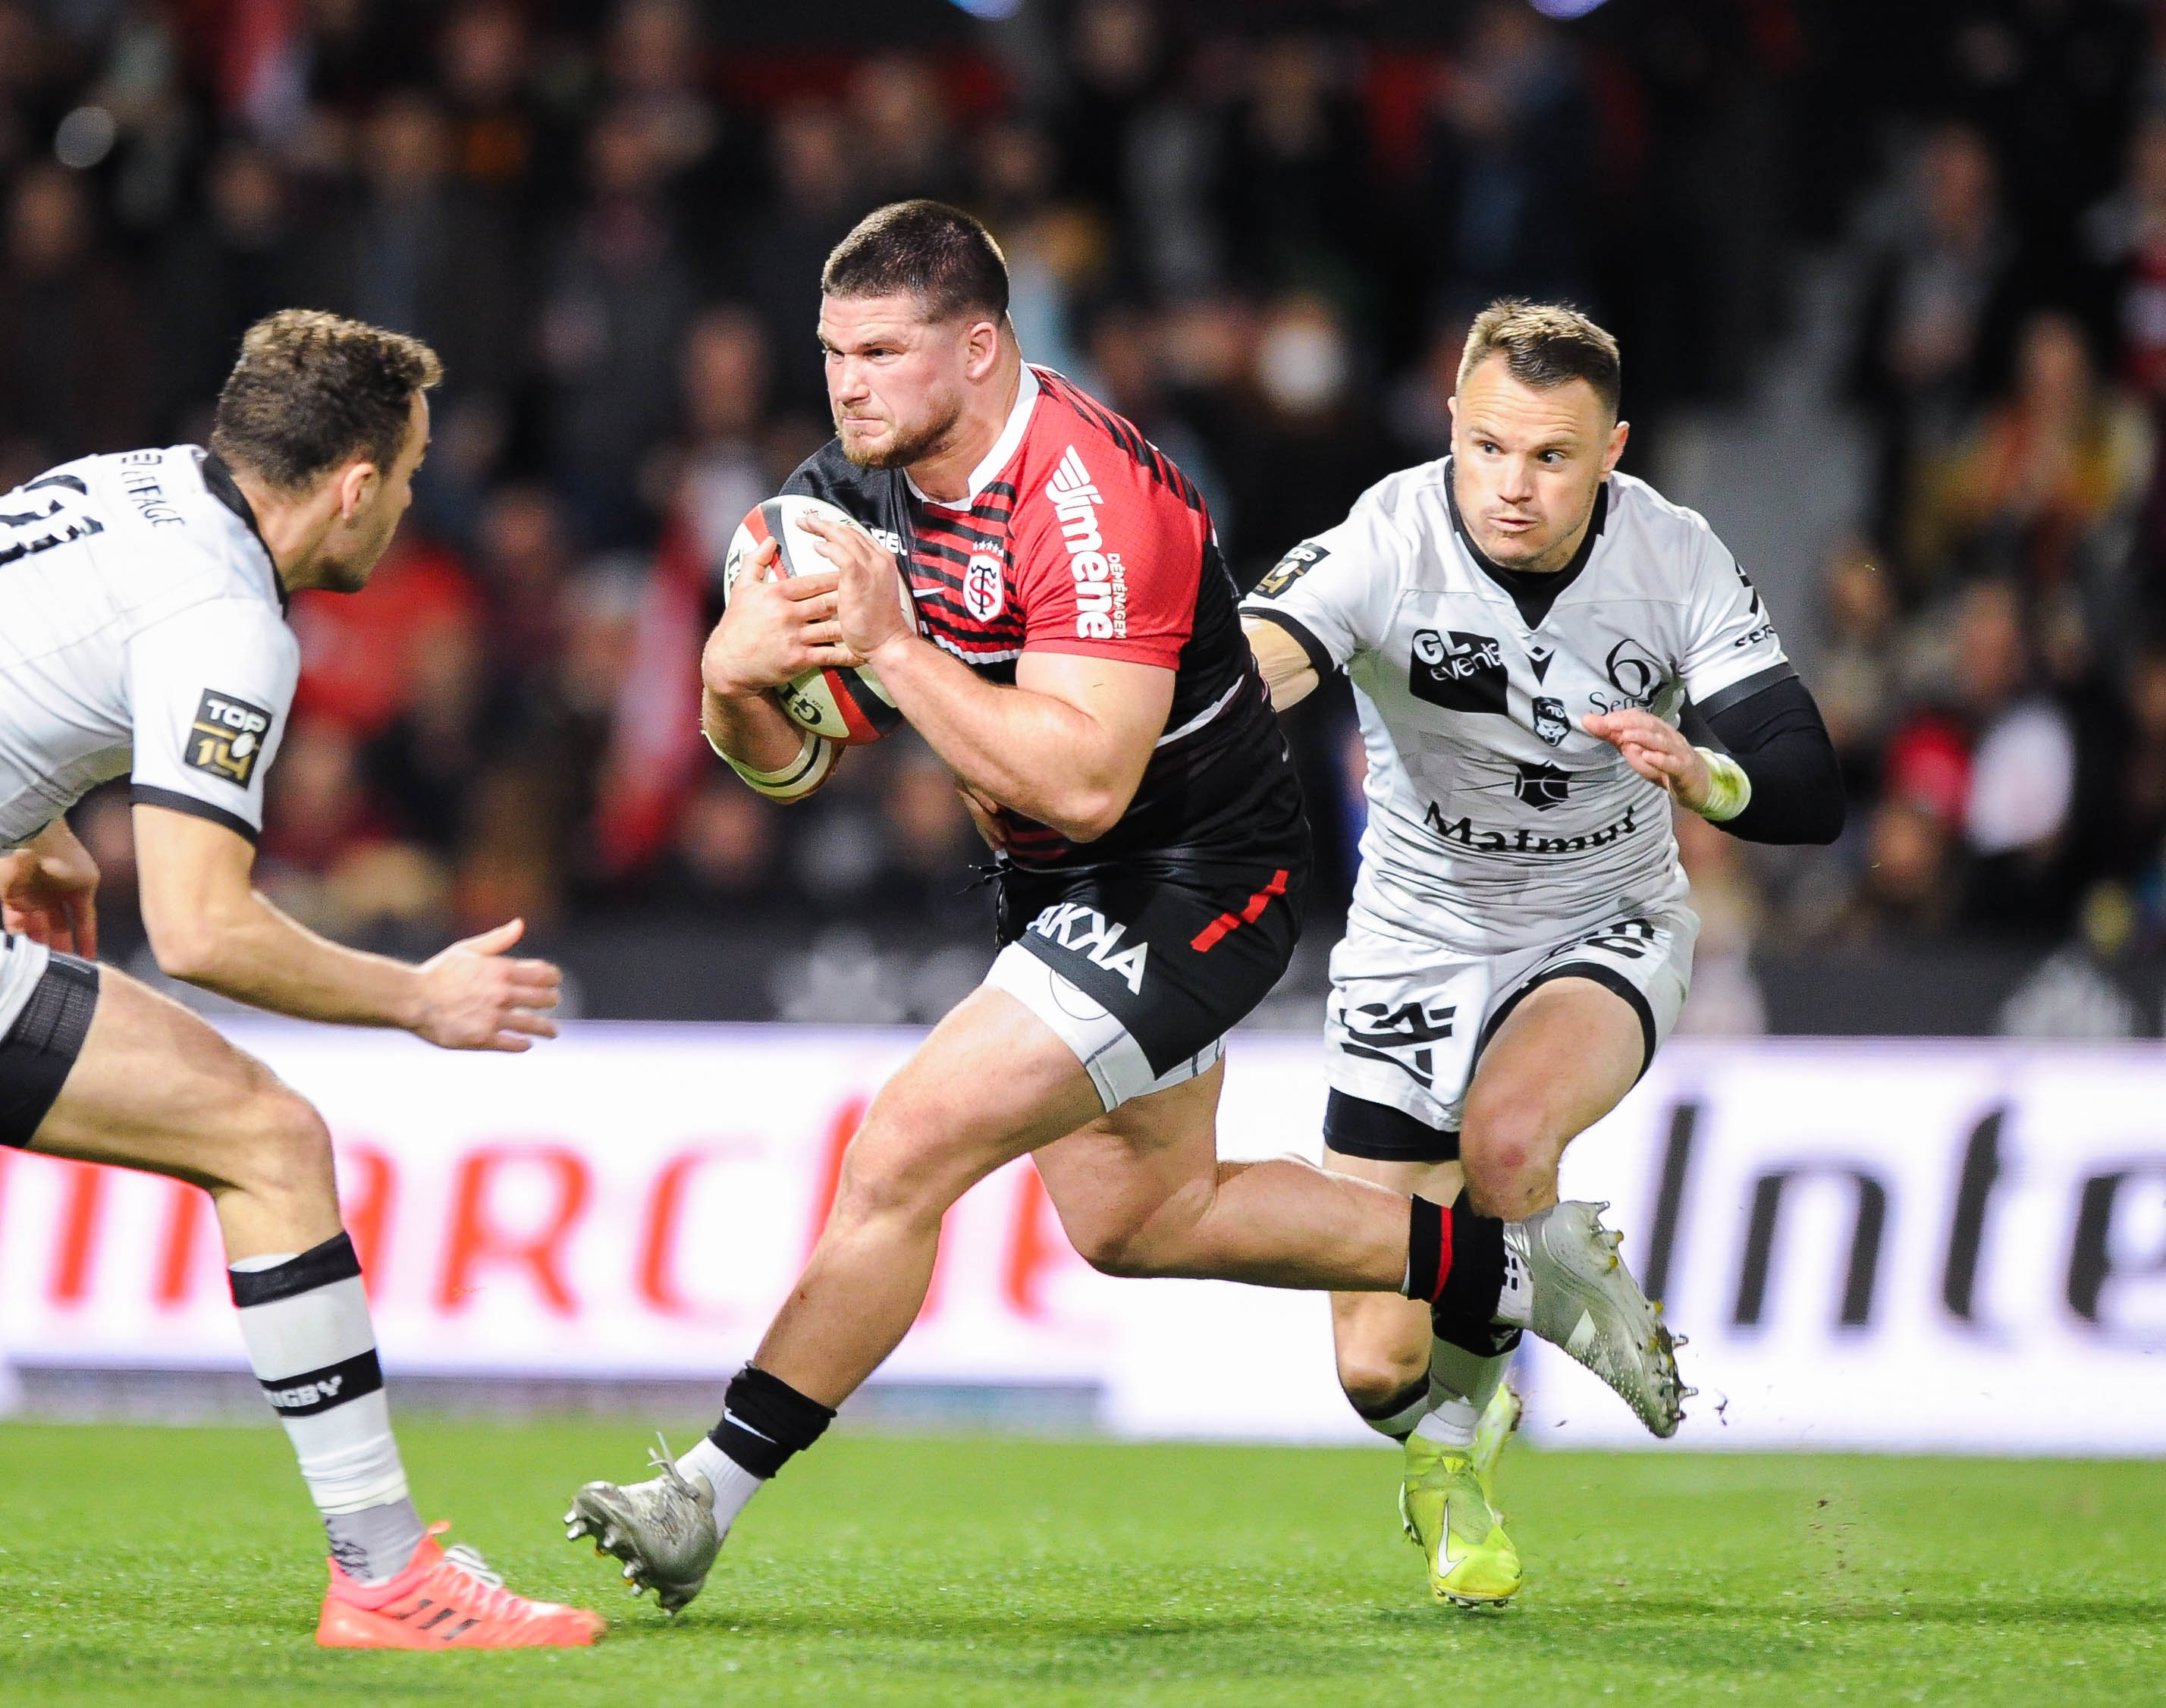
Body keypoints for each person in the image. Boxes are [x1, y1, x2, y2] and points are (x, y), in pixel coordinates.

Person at [563, 203, 1688, 1615]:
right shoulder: (845, 498)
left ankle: (701, 1500)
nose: (848, 382)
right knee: (1141, 1220)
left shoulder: (1091, 501)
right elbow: (788, 767)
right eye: (835, 350)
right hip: (1061, 882)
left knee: (902, 1149)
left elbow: (1091, 783)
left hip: (1194, 874)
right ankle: (1517, 1271)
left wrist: (898, 652)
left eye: (884, 351)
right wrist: (734, 678)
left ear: (979, 351)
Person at [0, 311, 604, 1650]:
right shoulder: (228, 618)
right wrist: (414, 998)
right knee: (271, 1142)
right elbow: (201, 934)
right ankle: (387, 1579)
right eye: (410, 477)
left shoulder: (116, 483)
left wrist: (34, 828)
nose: (412, 504)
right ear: (354, 485)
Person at [1240, 300, 1846, 1608]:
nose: (1514, 487)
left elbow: (1809, 782)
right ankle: (1486, 1383)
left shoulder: (1674, 556)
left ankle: (1493, 1366)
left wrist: (1711, 776)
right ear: (1451, 426)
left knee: (1511, 1142)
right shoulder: (1382, 541)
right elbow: (1252, 667)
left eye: (1554, 457)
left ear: (1612, 449)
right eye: (1490, 448)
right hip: (1412, 949)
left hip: (1602, 924)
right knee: (1372, 1366)